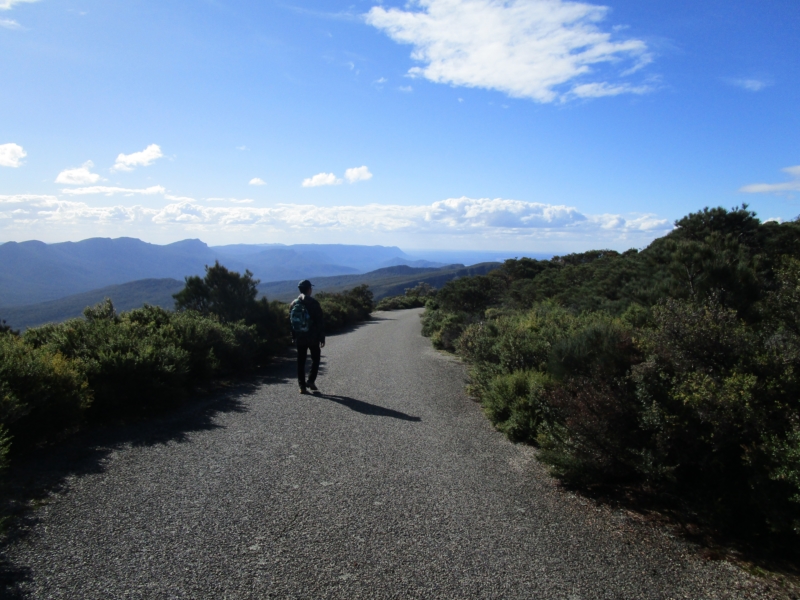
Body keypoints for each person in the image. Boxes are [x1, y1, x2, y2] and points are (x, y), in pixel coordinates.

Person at [290, 279, 326, 394]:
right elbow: (319, 321)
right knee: (316, 359)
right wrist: (322, 337)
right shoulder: (314, 303)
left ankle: (302, 387)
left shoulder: (294, 303)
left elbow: (291, 322)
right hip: (313, 338)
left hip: (300, 337)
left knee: (301, 361)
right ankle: (310, 380)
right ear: (309, 289)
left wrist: (293, 336)